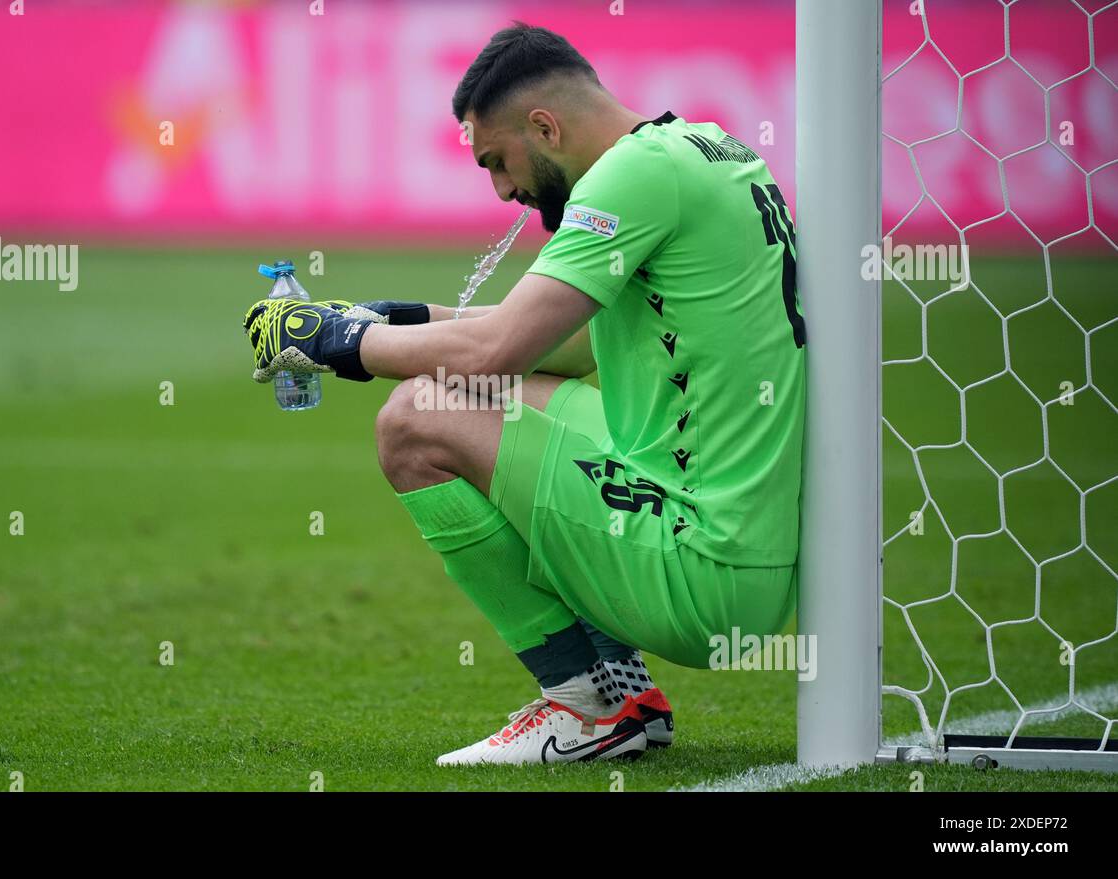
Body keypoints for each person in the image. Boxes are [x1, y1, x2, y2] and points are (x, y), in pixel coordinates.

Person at [244, 23, 805, 765]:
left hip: (703, 570)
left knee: (416, 418)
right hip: (745, 544)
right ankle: (624, 696)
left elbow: (496, 349)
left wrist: (334, 343)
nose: (504, 189)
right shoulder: (707, 151)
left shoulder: (627, 180)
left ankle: (586, 707)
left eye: (498, 161)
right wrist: (388, 318)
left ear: (544, 126)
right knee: (477, 389)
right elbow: (552, 347)